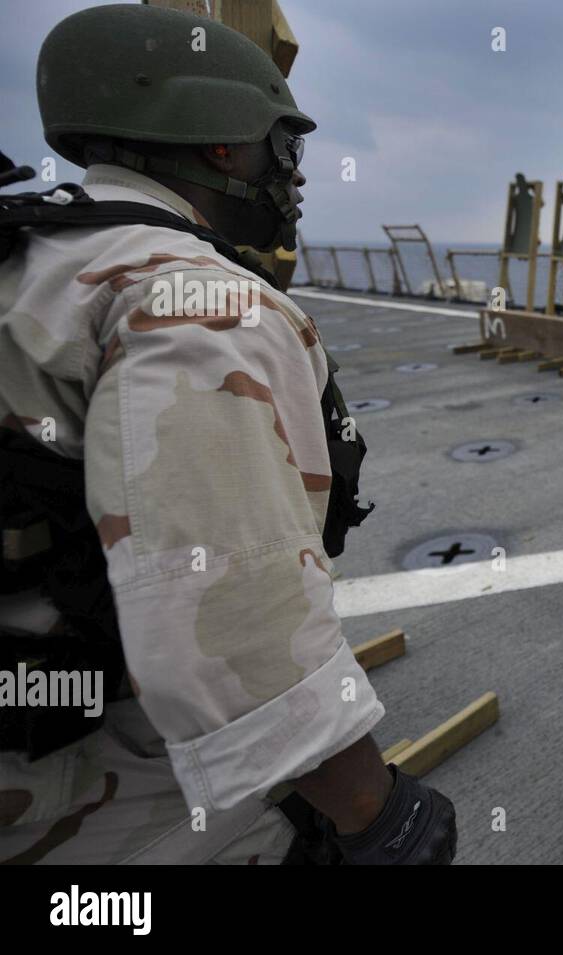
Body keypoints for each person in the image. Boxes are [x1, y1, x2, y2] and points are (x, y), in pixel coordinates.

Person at [0, 3, 454, 865]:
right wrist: (377, 810)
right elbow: (224, 616)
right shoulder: (199, 299)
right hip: (107, 798)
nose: (299, 179)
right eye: (285, 148)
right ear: (220, 142)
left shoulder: (36, 255)